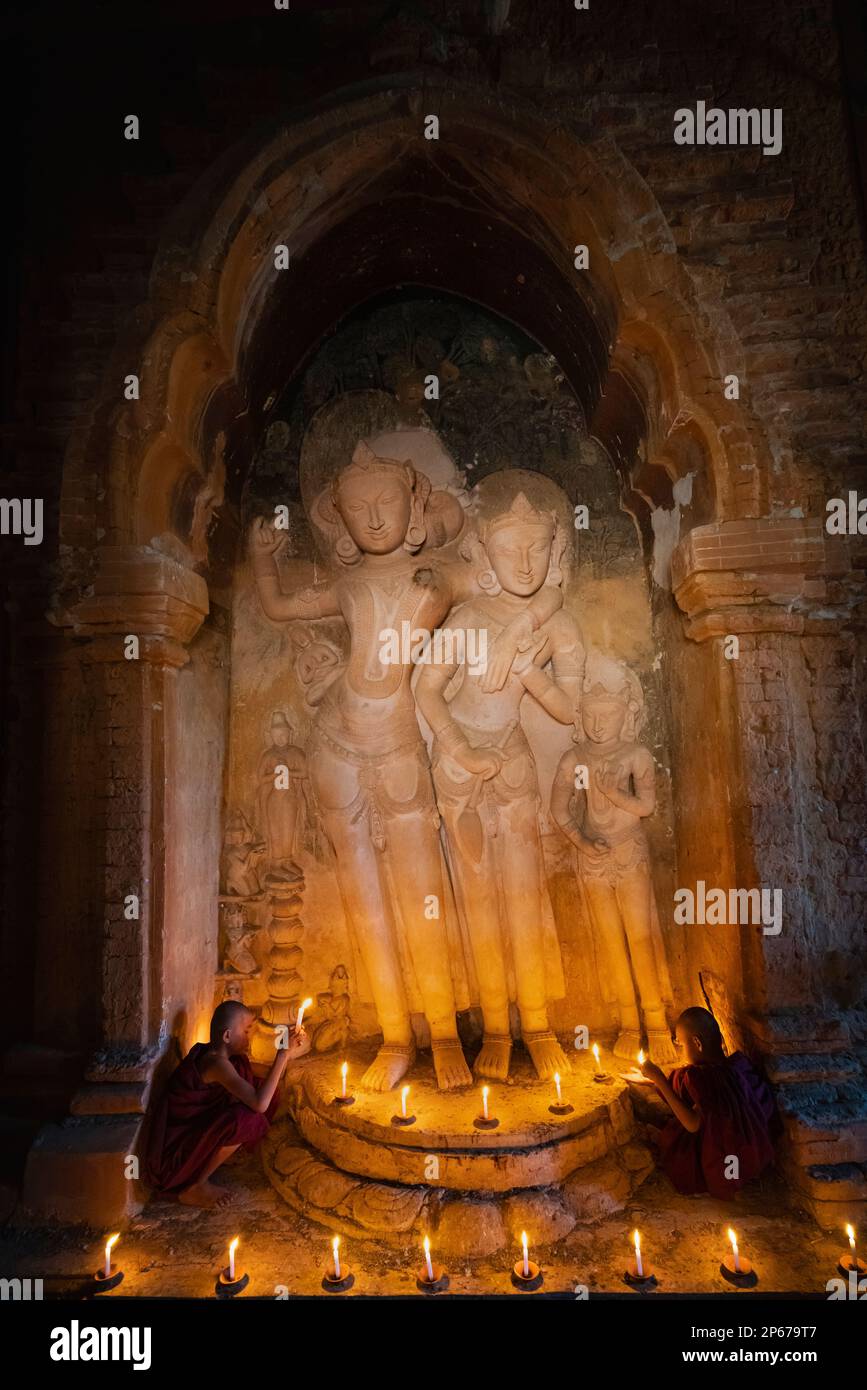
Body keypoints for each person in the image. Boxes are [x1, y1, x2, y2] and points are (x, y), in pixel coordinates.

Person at [144, 1001, 308, 1208]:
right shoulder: (216, 1064)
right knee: (248, 1118)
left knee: (262, 1086)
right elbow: (260, 1104)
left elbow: (270, 1075)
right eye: (247, 1031)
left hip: (198, 1129)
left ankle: (221, 1154)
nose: (250, 1037)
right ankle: (197, 1184)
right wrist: (283, 1054)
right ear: (227, 1036)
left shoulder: (226, 1058)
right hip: (177, 1152)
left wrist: (288, 1050)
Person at [641, 1006, 778, 1200]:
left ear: (696, 1043)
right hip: (752, 1154)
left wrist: (659, 1080)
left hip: (721, 1164)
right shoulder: (739, 1066)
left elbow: (692, 1124)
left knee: (675, 1134)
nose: (680, 1050)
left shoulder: (701, 1078)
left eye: (680, 1044)